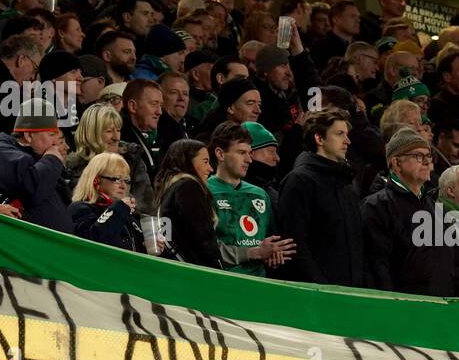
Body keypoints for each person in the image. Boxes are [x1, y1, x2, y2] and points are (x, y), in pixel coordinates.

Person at [362, 126, 459, 294]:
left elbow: (452, 267)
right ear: (396, 163)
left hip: (443, 309)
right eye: (418, 156)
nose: (428, 162)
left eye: (428, 156)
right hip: (404, 309)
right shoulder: (376, 206)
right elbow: (377, 266)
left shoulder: (439, 211)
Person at [277, 107, 365, 287]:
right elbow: (296, 247)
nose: (347, 141)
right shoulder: (299, 181)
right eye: (339, 134)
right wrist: (321, 288)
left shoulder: (347, 184)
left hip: (352, 294)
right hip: (318, 296)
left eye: (346, 134)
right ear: (319, 138)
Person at [206, 121, 294, 276]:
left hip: (259, 284)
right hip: (221, 283)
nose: (249, 160)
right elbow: (203, 249)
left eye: (250, 153)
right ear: (220, 154)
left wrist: (273, 254)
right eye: (241, 152)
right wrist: (255, 252)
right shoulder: (204, 191)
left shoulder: (260, 194)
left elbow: (268, 243)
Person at [0, 98, 72, 232]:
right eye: (51, 135)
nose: (55, 142)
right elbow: (32, 190)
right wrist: (52, 159)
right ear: (28, 135)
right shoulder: (0, 153)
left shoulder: (35, 154)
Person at [64, 101, 156, 215]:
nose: (116, 137)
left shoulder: (132, 160)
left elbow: (147, 209)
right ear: (91, 134)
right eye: (109, 131)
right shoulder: (72, 168)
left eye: (118, 130)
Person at [153, 139, 219, 267]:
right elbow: (201, 238)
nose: (210, 169)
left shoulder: (169, 190)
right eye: (205, 162)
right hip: (197, 274)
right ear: (187, 161)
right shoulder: (189, 187)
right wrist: (218, 269)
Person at [68, 151, 145, 252]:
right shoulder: (79, 209)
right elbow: (93, 243)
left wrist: (148, 248)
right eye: (117, 179)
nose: (123, 186)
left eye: (126, 180)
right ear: (96, 181)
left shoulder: (126, 214)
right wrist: (119, 209)